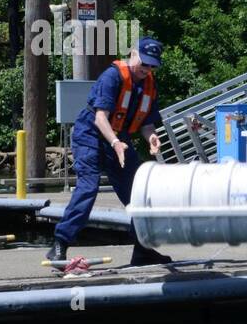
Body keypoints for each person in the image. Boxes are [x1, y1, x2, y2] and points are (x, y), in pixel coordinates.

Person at [48, 38, 174, 267]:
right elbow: (99, 118)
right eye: (144, 63)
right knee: (88, 187)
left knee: (140, 192)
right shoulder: (112, 76)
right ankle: (60, 244)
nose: (146, 70)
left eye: (152, 66)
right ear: (133, 53)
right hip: (90, 136)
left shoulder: (149, 85)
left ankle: (143, 250)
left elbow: (146, 124)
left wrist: (152, 138)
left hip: (120, 140)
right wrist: (115, 142)